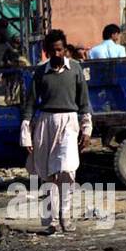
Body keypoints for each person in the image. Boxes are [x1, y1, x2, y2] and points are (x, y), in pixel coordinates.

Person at [21, 29, 92, 235]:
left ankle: (66, 216)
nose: (57, 54)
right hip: (45, 123)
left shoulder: (76, 69)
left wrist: (86, 129)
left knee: (67, 171)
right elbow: (30, 103)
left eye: (60, 50)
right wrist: (26, 133)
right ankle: (52, 220)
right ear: (47, 52)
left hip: (69, 123)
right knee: (48, 174)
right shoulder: (40, 72)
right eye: (53, 51)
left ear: (65, 49)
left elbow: (84, 102)